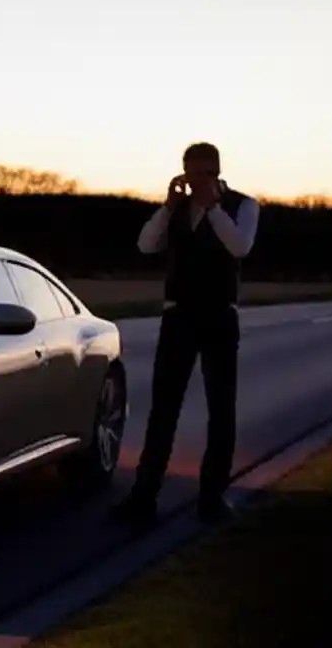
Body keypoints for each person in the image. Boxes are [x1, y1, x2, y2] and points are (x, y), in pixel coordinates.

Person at [111, 141, 259, 526]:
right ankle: (144, 498)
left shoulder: (243, 206)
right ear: (185, 173)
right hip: (178, 317)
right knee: (163, 410)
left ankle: (212, 497)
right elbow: (146, 245)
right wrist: (167, 207)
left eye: (209, 174)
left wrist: (213, 209)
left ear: (219, 171)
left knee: (221, 409)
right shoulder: (176, 211)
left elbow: (240, 247)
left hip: (220, 317)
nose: (202, 181)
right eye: (195, 174)